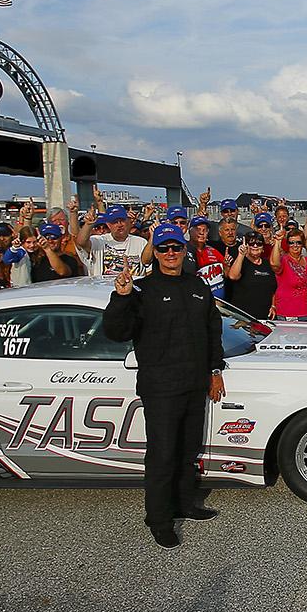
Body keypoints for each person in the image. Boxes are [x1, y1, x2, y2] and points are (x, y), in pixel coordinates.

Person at [102, 223, 225, 549]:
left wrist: (215, 371)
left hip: (195, 383)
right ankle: (159, 519)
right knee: (163, 454)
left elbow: (213, 330)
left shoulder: (198, 285)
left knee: (187, 450)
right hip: (161, 387)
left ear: (184, 250)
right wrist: (121, 296)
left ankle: (184, 503)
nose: (171, 254)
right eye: (163, 248)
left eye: (176, 248)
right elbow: (116, 331)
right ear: (154, 252)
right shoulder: (142, 290)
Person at [78, 197, 147, 276]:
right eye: (115, 222)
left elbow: (148, 270)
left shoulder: (141, 242)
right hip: (103, 287)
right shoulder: (99, 241)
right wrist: (88, 224)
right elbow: (81, 242)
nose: (119, 225)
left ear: (128, 221)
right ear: (108, 225)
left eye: (122, 220)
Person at [269, 224, 307, 322]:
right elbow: (274, 264)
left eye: (298, 242)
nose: (295, 245)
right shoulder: (283, 260)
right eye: (291, 243)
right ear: (287, 244)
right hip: (288, 312)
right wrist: (278, 242)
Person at [225, 230, 278, 318]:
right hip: (244, 317)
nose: (255, 246)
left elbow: (273, 289)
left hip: (265, 316)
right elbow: (233, 276)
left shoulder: (267, 264)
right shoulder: (240, 262)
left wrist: (273, 305)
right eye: (251, 243)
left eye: (259, 243)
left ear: (263, 247)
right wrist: (241, 254)